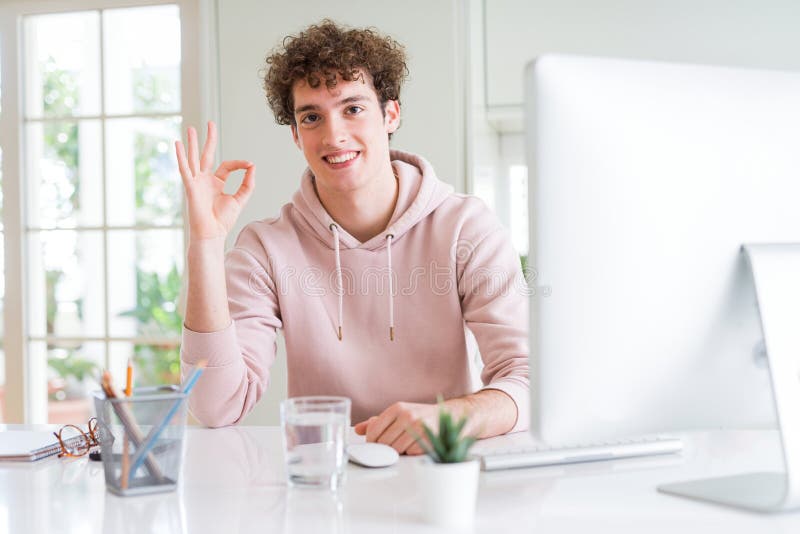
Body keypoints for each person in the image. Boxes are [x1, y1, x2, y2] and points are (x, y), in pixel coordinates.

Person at [177, 20, 529, 455]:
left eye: (353, 109)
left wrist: (451, 417)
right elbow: (214, 407)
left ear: (391, 114)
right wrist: (206, 245)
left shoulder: (465, 226)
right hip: (324, 479)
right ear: (295, 135)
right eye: (311, 117)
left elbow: (527, 379)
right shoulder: (266, 248)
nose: (333, 135)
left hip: (440, 472)